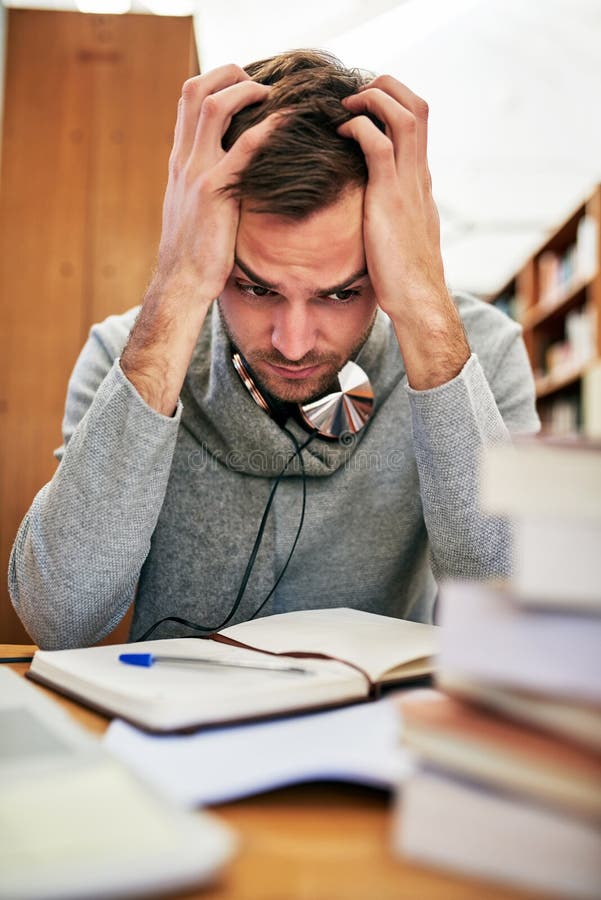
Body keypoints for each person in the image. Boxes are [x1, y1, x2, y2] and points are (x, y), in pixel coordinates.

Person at [9, 50, 539, 650]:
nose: (293, 343)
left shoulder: (479, 356)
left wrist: (423, 308)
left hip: (378, 735)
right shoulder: (127, 357)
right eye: (255, 287)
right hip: (182, 729)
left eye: (341, 293)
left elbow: (512, 617)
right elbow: (61, 618)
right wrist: (177, 289)